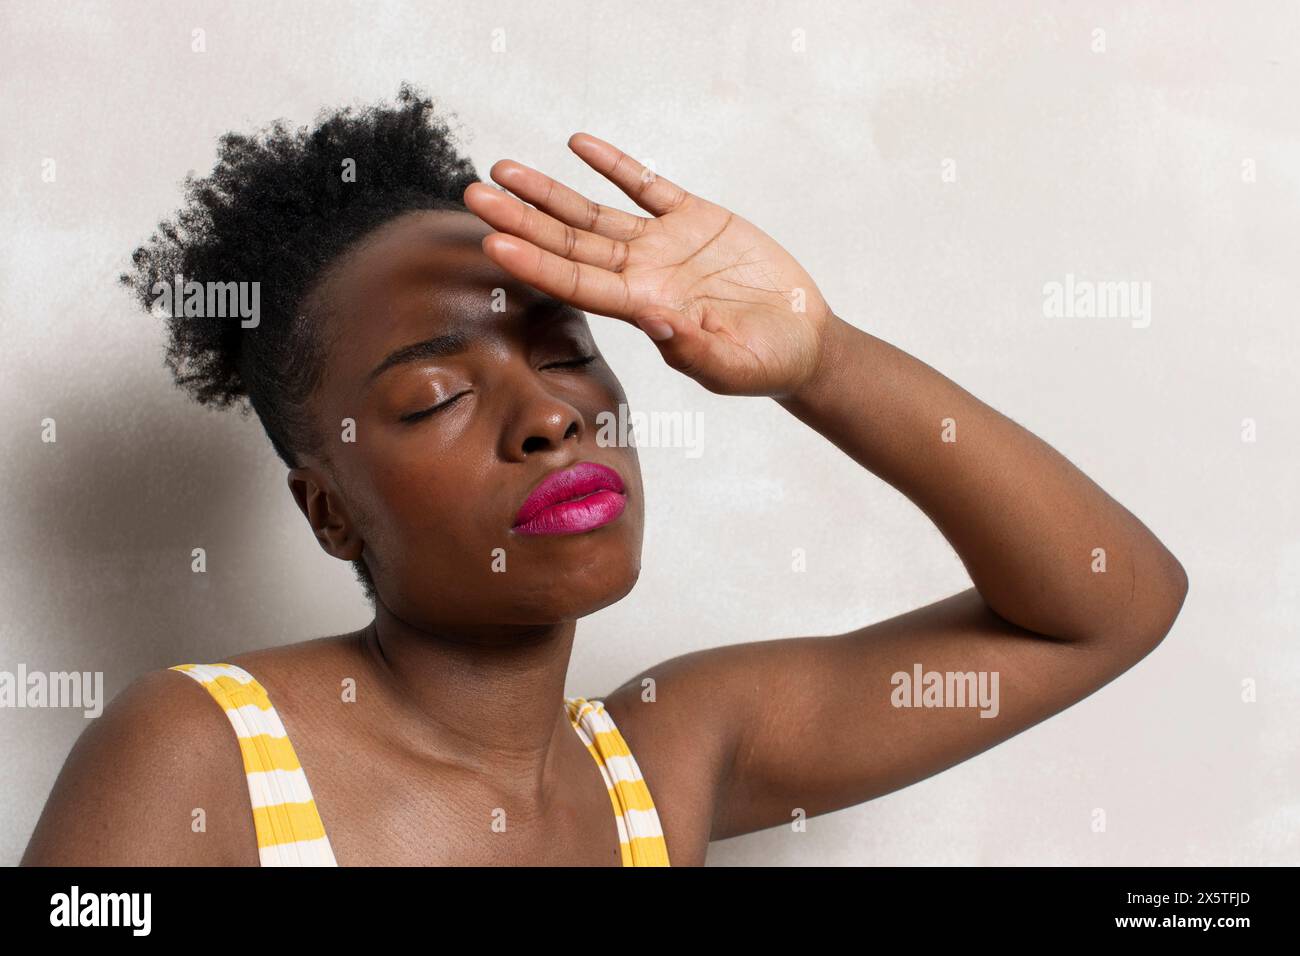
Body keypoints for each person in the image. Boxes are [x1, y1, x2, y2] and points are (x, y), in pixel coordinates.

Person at [21, 84, 1187, 866]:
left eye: (564, 350)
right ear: (329, 510)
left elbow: (1105, 605)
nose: (547, 417)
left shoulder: (666, 756)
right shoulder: (197, 747)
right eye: (436, 395)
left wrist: (821, 358)